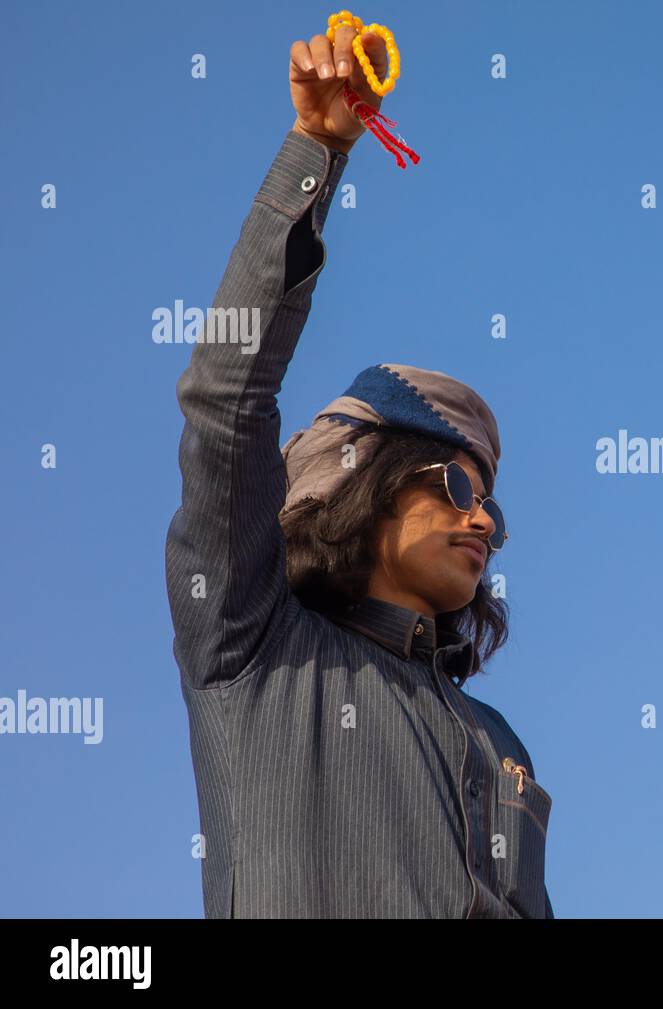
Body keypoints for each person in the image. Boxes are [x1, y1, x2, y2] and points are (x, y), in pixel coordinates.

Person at [164, 23, 554, 918]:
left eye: (490, 499)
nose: (483, 519)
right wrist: (318, 152)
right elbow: (225, 401)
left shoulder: (500, 745)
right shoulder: (253, 644)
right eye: (454, 485)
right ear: (365, 484)